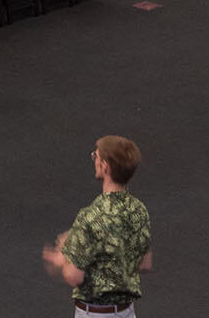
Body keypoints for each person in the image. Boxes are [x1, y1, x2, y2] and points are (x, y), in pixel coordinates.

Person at [42, 135, 152, 316]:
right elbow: (144, 263)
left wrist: (64, 254)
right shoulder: (139, 210)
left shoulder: (90, 217)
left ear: (105, 166)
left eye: (96, 157)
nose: (94, 160)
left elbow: (73, 277)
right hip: (127, 312)